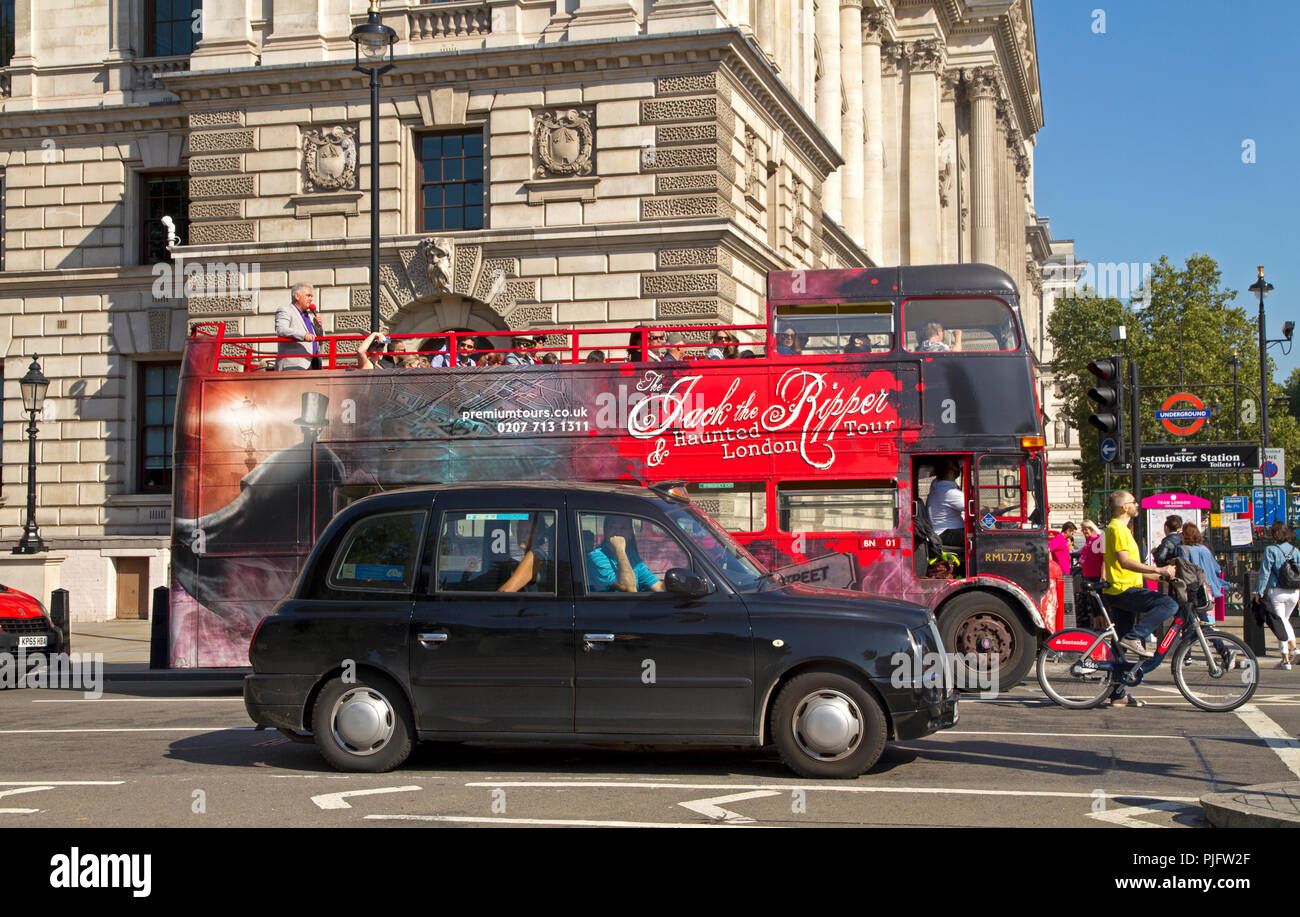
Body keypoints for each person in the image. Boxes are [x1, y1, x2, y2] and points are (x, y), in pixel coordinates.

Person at [1104, 489, 1179, 669]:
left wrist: (1161, 576)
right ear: (1124, 507)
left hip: (1121, 588)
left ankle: (1117, 693)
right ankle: (1135, 637)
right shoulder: (1117, 529)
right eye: (1134, 501)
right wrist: (1158, 568)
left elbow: (1134, 569)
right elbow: (1125, 562)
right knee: (1169, 604)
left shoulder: (1122, 530)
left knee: (1118, 648)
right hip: (1123, 589)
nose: (1137, 504)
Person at [1252, 521, 1300, 669]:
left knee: (1280, 623)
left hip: (1277, 591)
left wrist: (1259, 592)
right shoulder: (1296, 551)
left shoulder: (1271, 550)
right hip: (1294, 592)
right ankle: (1288, 655)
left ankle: (1290, 653)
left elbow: (1265, 573)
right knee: (1284, 621)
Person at [587, 516, 664, 593]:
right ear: (605, 531)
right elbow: (629, 590)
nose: (617, 532)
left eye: (623, 528)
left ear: (630, 533)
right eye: (612, 527)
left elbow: (656, 585)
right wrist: (620, 550)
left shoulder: (631, 554)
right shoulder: (596, 557)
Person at [497, 516, 554, 593]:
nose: (522, 536)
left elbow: (505, 591)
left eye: (528, 532)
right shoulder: (538, 554)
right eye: (520, 531)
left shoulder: (533, 556)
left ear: (539, 535)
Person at [275, 283, 321, 370]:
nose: (311, 299)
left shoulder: (310, 316)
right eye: (308, 296)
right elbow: (281, 330)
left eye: (311, 296)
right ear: (297, 296)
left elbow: (321, 340)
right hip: (294, 364)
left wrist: (318, 327)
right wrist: (303, 335)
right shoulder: (285, 310)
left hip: (314, 362)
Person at [925, 459, 965, 549]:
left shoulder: (936, 484)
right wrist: (995, 510)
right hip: (946, 534)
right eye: (957, 466)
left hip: (944, 532)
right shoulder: (948, 491)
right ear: (952, 470)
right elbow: (975, 508)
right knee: (983, 536)